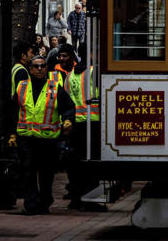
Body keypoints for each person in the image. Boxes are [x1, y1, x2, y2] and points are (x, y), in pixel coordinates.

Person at [8, 54, 74, 215]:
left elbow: (69, 107)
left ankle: (44, 202)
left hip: (47, 140)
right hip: (26, 138)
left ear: (46, 69)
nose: (39, 69)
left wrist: (68, 120)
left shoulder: (55, 87)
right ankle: (31, 205)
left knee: (46, 173)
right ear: (30, 69)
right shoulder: (22, 87)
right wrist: (12, 134)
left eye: (42, 66)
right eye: (36, 66)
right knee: (28, 172)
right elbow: (13, 112)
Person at [62, 46, 105, 212]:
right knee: (93, 164)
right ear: (91, 53)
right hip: (93, 122)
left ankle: (76, 199)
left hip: (74, 124)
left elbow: (66, 102)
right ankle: (91, 201)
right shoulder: (94, 72)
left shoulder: (70, 75)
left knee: (75, 164)